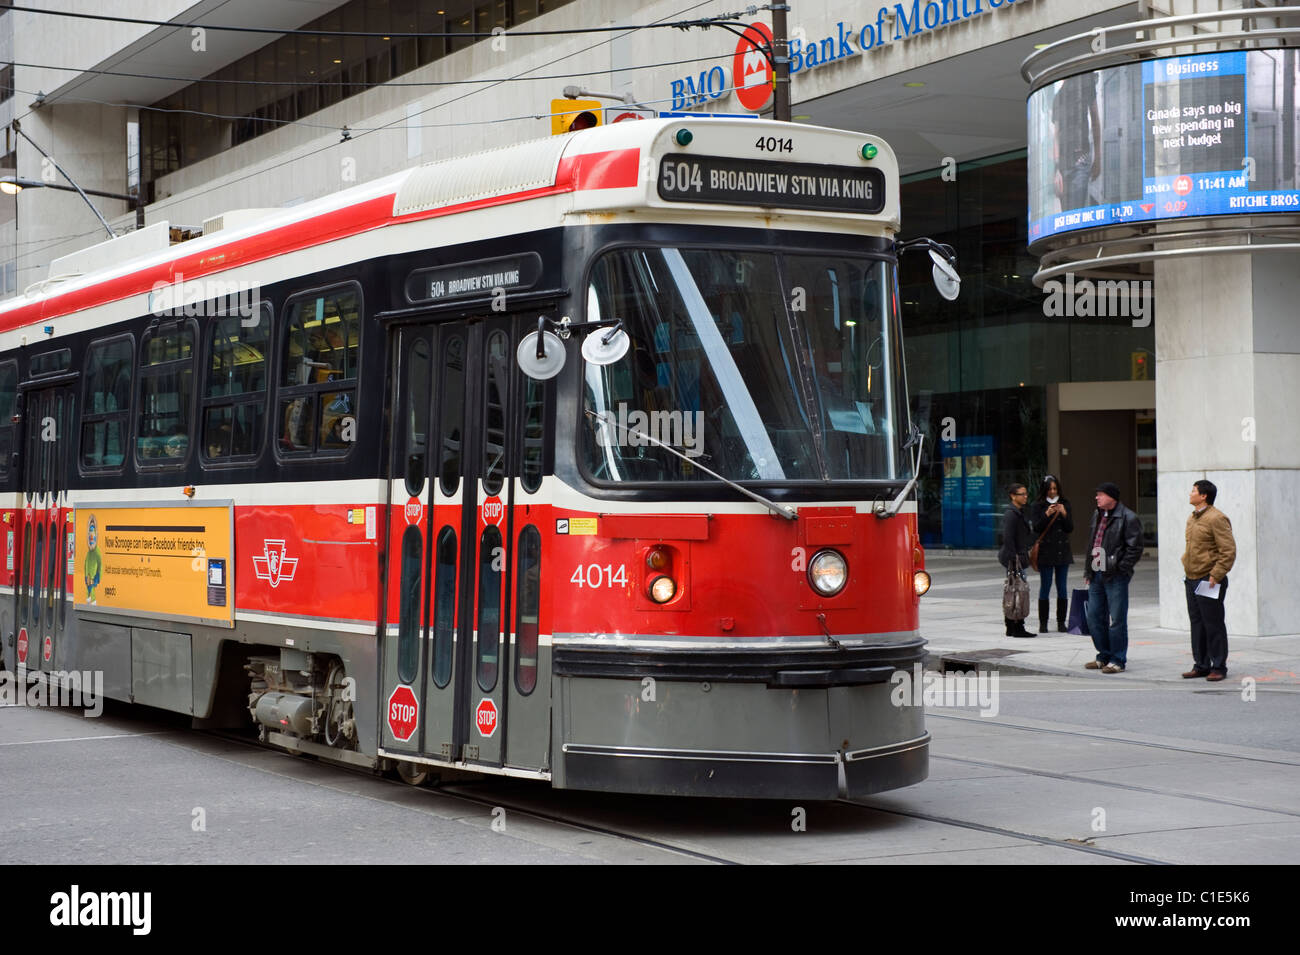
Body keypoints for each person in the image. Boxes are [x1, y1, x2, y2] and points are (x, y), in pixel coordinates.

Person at [1082, 482, 1144, 673]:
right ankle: (1103, 655)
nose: (1097, 497)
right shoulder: (1097, 514)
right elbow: (1092, 544)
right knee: (1093, 617)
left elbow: (1135, 548)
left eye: (1100, 494)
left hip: (1115, 576)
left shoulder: (1128, 517)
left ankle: (1118, 659)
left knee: (1117, 619)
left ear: (1111, 497)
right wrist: (1088, 571)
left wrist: (1121, 569)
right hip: (1096, 572)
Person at [1181, 479, 1237, 682]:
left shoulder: (1217, 518)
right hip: (1191, 578)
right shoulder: (1192, 518)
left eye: (1193, 490)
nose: (1190, 493)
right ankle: (1201, 665)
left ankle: (1219, 666)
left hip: (1209, 579)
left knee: (1212, 623)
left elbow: (1228, 550)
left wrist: (1216, 575)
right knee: (1197, 623)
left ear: (1203, 495)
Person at [1028, 474, 1074, 633]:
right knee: (1045, 587)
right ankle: (1043, 623)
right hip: (1046, 552)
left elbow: (1070, 528)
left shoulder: (1065, 503)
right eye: (1050, 489)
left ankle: (1062, 622)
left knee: (1062, 587)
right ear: (1044, 490)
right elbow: (1036, 527)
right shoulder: (1037, 505)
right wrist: (1046, 515)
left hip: (1062, 551)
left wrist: (1064, 513)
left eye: (1055, 489)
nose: (1053, 492)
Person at [998, 483, 1035, 638]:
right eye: (1022, 494)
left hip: (1017, 557)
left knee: (1014, 591)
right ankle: (1016, 626)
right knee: (1017, 592)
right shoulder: (1011, 514)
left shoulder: (1019, 512)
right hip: (1015, 559)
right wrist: (1014, 559)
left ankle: (1012, 625)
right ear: (1013, 496)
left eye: (1026, 494)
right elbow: (1008, 538)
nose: (1025, 497)